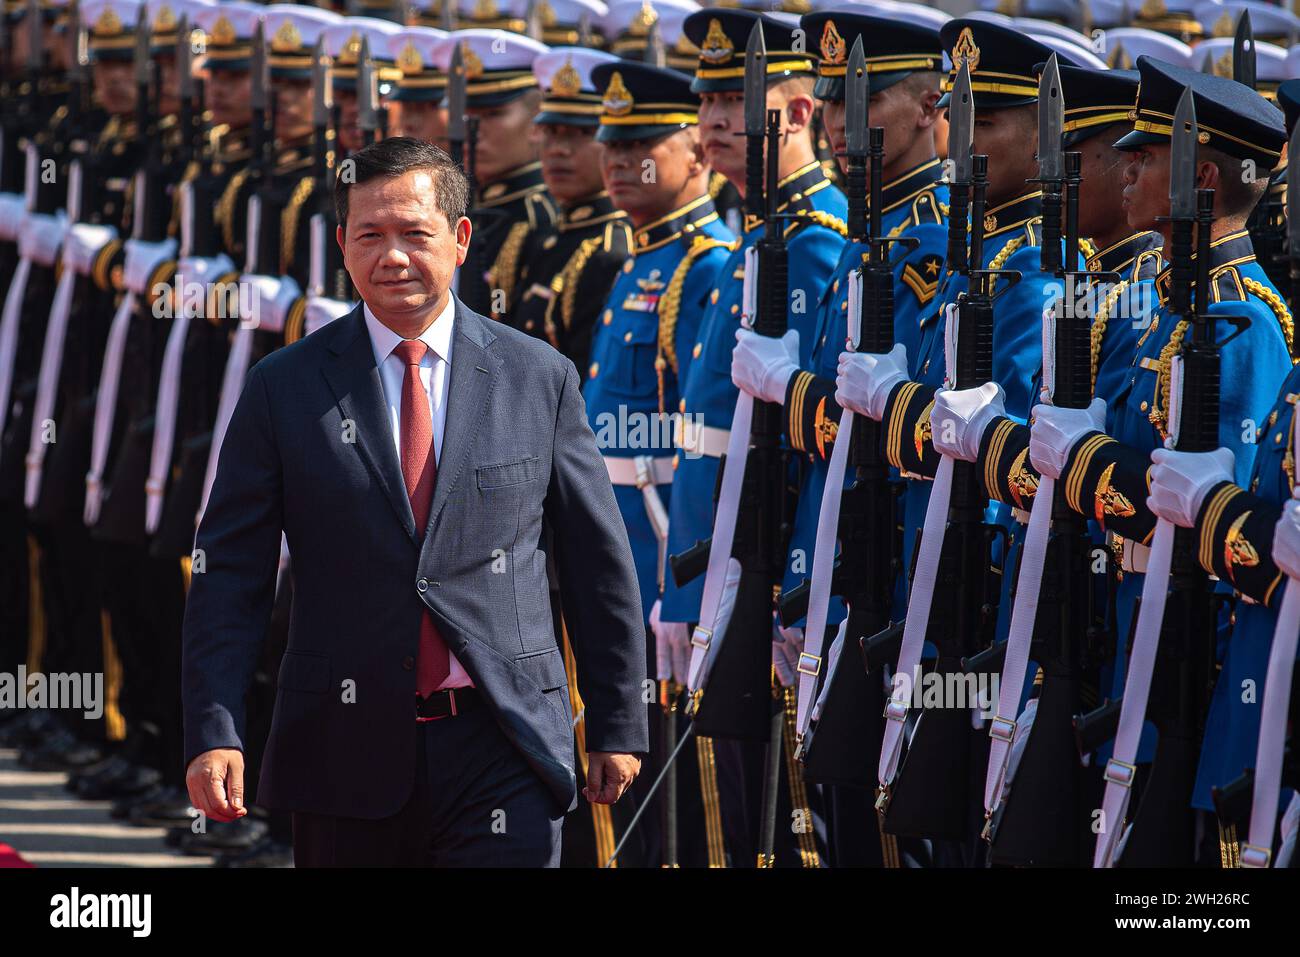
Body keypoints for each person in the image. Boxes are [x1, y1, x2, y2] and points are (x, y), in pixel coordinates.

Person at [182, 136, 648, 867]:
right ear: (342, 244)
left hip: (505, 743)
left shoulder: (538, 378)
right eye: (370, 235)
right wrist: (215, 727)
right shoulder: (286, 386)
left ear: (460, 240)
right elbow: (229, 572)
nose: (392, 256)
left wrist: (618, 720)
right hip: (344, 748)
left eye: (415, 234)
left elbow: (597, 563)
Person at [584, 58, 734, 866]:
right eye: (613, 144)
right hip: (617, 554)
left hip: (663, 558)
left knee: (682, 804)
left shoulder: (705, 265)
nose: (618, 161)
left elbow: (697, 441)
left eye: (641, 144)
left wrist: (683, 580)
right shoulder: (637, 260)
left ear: (696, 152)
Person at [506, 47, 633, 368]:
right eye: (551, 133)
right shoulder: (551, 238)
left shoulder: (613, 249)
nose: (559, 150)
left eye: (582, 134)